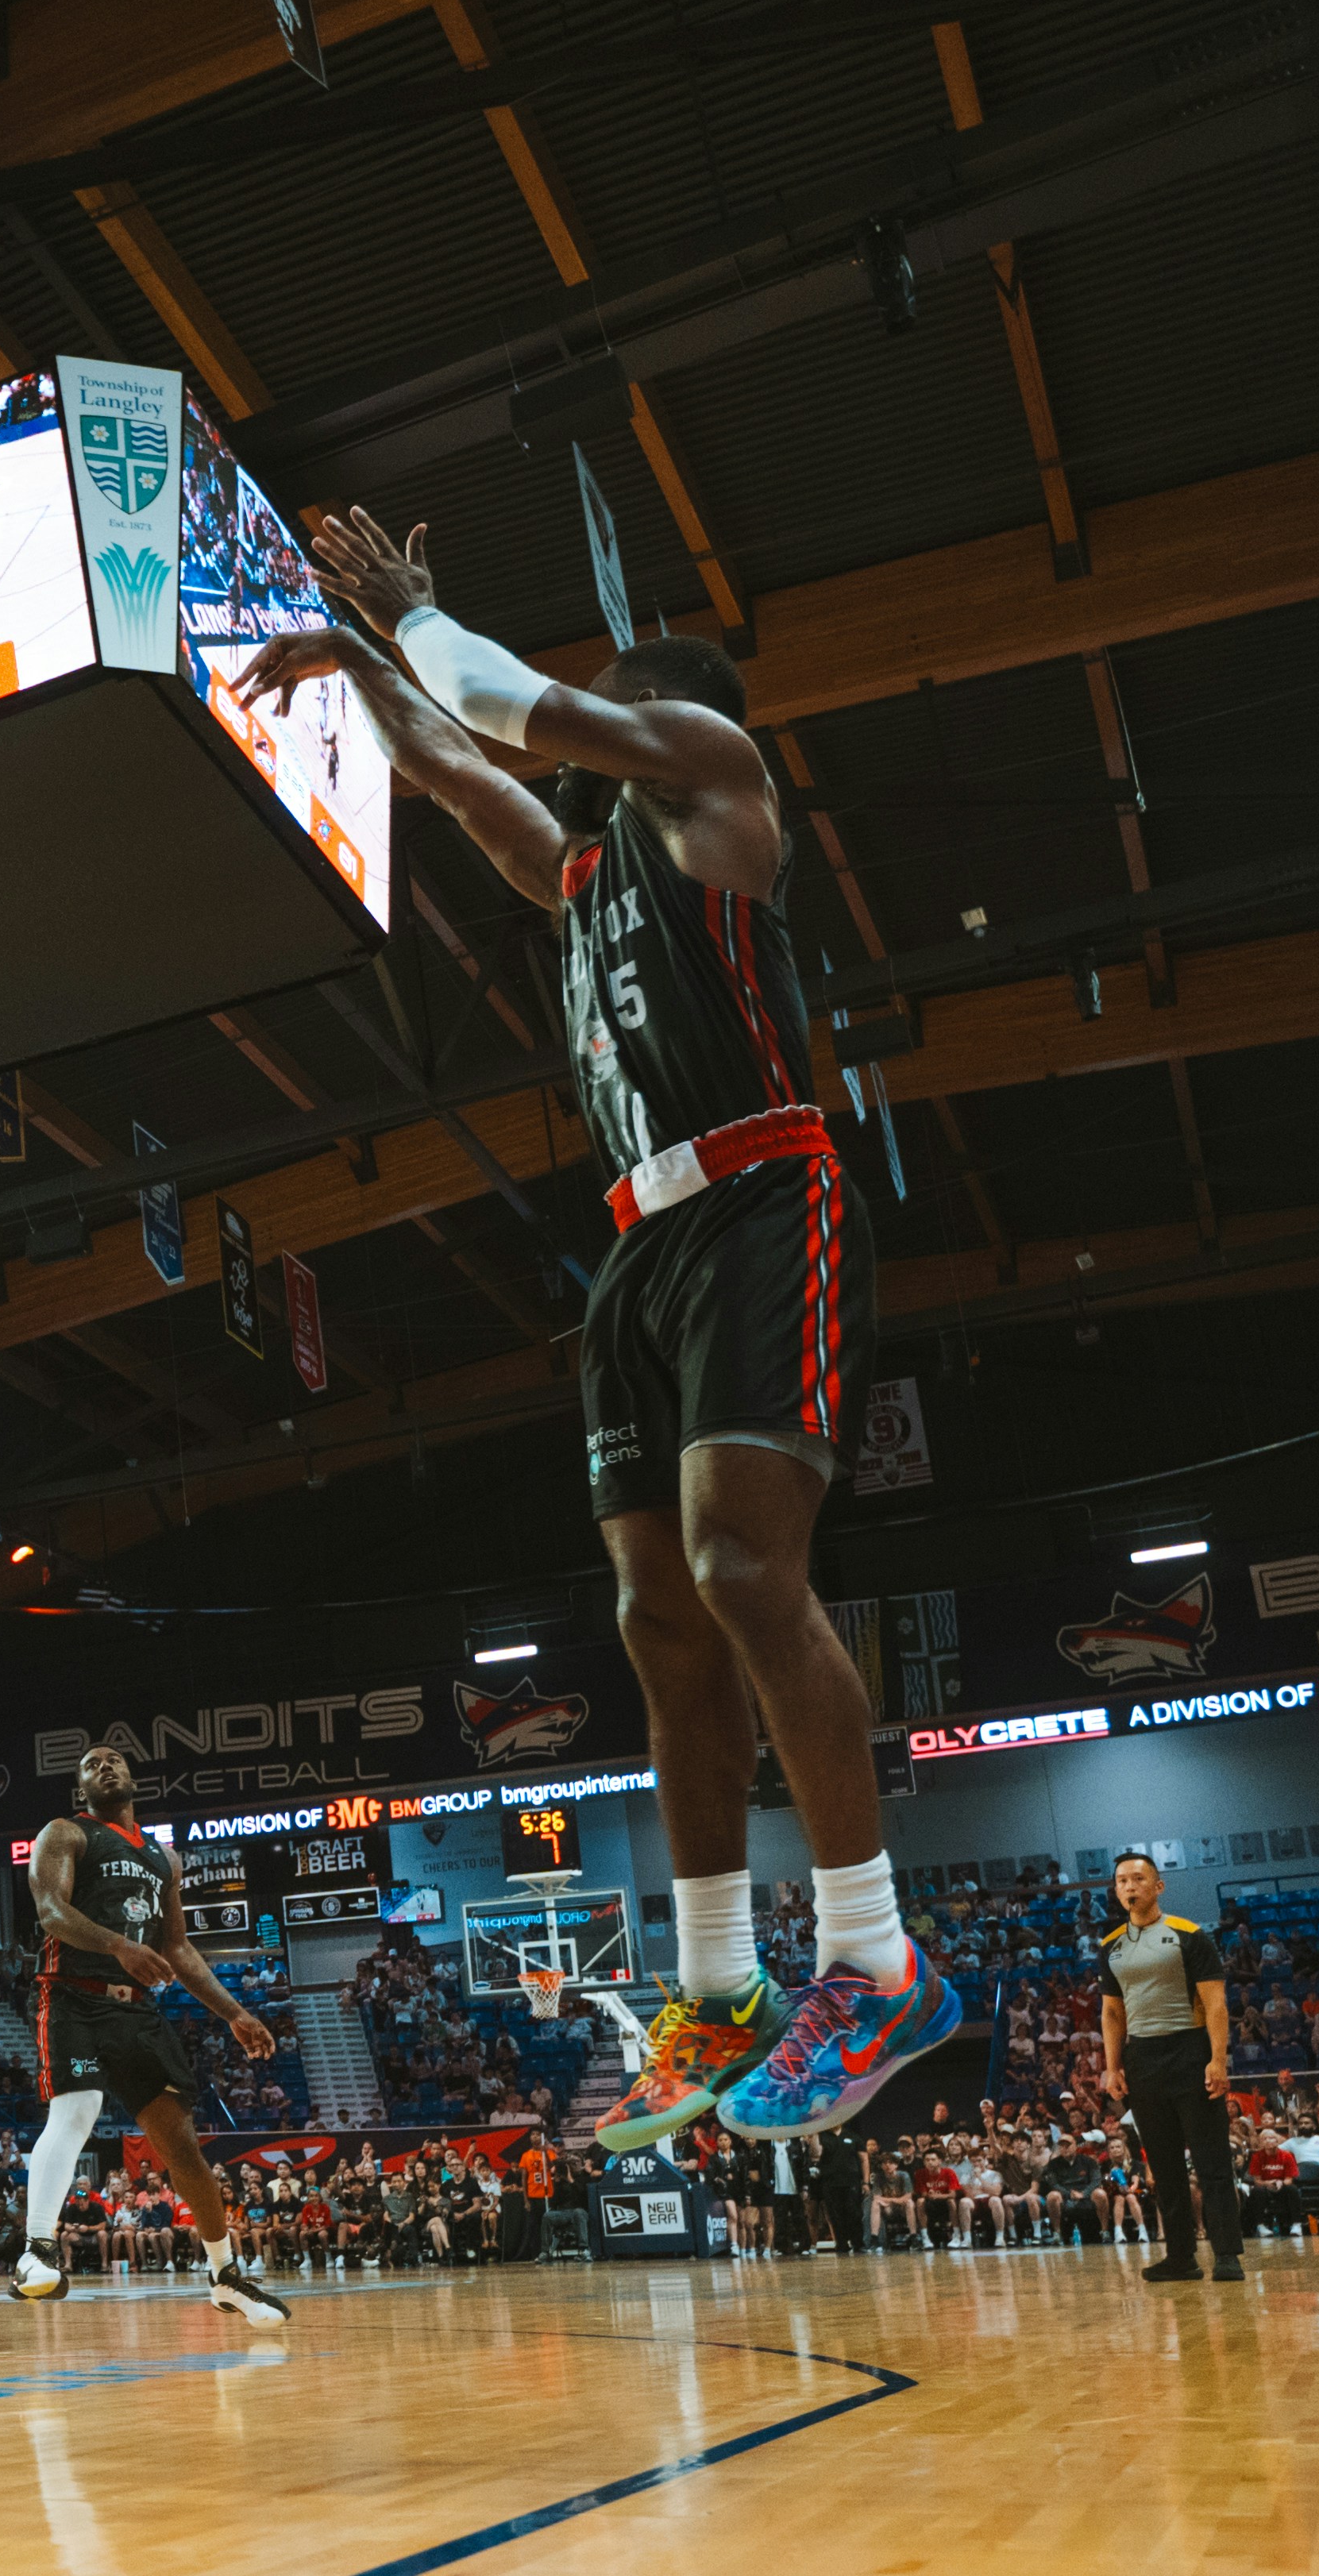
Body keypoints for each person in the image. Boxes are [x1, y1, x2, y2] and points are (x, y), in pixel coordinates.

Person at [244, 549, 940, 2143]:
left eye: (607, 701)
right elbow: (462, 761)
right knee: (657, 1612)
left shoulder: (716, 781)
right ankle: (717, 1990)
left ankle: (875, 1954)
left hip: (768, 1189)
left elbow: (496, 703)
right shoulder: (583, 871)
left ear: (658, 713)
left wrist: (390, 622)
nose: (583, 727)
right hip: (639, 1243)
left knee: (748, 1568)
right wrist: (363, 679)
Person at [6, 1745, 291, 2320]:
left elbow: (178, 1946)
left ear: (134, 1777)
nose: (105, 1766)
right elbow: (52, 1913)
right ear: (81, 1788)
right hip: (72, 1998)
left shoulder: (164, 1858)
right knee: (78, 2110)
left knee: (181, 2143)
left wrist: (234, 2012)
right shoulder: (65, 1833)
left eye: (114, 1759)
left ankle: (225, 2277)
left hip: (134, 2010)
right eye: (90, 1764)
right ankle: (35, 2253)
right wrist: (118, 1945)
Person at [1096, 1849, 1245, 2286]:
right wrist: (1113, 2067)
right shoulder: (1110, 1947)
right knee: (1163, 2165)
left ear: (1158, 1886)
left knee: (1211, 2160)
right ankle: (1180, 2257)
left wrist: (1218, 2059)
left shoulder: (1190, 1935)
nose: (1129, 1887)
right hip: (1142, 2060)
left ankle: (1227, 2255)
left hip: (1190, 2052)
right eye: (1122, 1881)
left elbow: (1216, 2003)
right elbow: (1111, 2014)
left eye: (1138, 1879)